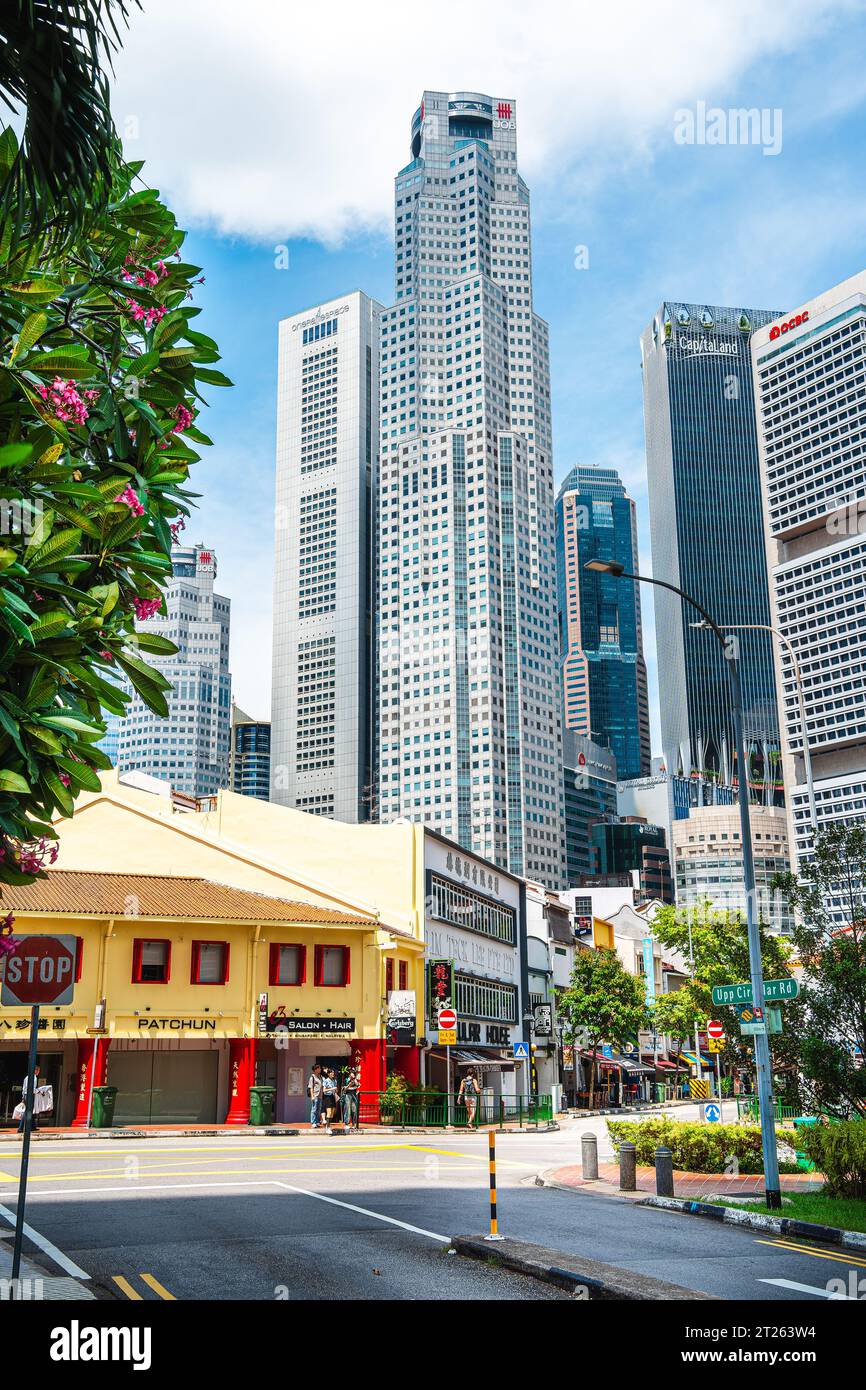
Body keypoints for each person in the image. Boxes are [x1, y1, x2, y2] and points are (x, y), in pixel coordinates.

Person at [18, 1064, 40, 1133]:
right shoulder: (34, 1078)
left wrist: (23, 1097)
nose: (38, 1072)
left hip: (25, 1095)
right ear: (35, 1070)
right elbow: (32, 1089)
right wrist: (39, 1091)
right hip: (30, 1095)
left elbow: (24, 1088)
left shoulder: (26, 1077)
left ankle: (33, 1126)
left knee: (30, 1110)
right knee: (27, 1111)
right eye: (38, 1070)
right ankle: (20, 1128)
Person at [341, 1060, 360, 1131]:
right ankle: (347, 1124)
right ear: (349, 1074)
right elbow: (344, 1088)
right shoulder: (346, 1079)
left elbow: (357, 1085)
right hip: (348, 1095)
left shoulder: (355, 1080)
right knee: (347, 1109)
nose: (353, 1074)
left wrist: (354, 1080)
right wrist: (349, 1085)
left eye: (354, 1073)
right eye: (352, 1073)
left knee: (354, 1110)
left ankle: (354, 1124)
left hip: (354, 1096)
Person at [321, 1068, 339, 1133]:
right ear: (328, 1074)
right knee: (329, 1112)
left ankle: (328, 1125)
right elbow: (324, 1090)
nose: (332, 1074)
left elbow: (336, 1090)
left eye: (333, 1072)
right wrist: (332, 1089)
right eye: (331, 1073)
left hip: (333, 1097)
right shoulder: (326, 1081)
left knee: (332, 1113)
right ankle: (328, 1127)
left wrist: (336, 1090)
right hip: (327, 1097)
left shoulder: (335, 1081)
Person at [307, 1063, 323, 1129]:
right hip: (315, 1095)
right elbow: (311, 1087)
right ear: (315, 1069)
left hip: (320, 1095)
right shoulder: (312, 1077)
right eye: (319, 1068)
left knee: (319, 1109)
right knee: (314, 1109)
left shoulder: (320, 1077)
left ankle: (317, 1122)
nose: (320, 1069)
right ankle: (313, 1122)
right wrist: (312, 1096)